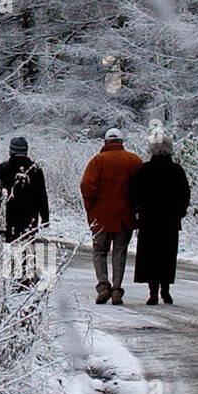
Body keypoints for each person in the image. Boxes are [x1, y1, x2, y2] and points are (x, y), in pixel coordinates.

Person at [80, 128, 142, 305]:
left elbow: (86, 185)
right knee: (119, 253)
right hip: (125, 217)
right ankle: (116, 289)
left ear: (105, 142)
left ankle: (102, 285)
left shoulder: (97, 161)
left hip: (100, 217)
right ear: (121, 142)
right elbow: (141, 188)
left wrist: (91, 209)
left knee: (99, 252)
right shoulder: (134, 160)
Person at [130, 132, 190, 305]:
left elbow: (135, 193)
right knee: (167, 255)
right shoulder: (177, 170)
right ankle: (166, 290)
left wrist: (137, 210)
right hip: (170, 221)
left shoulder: (144, 169)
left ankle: (153, 292)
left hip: (149, 220)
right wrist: (180, 212)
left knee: (150, 255)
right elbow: (185, 194)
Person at [0, 136, 50, 284]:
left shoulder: (3, 168)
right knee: (29, 245)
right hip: (31, 215)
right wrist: (45, 217)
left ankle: (12, 277)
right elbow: (42, 195)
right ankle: (27, 278)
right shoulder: (35, 168)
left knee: (11, 244)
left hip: (10, 215)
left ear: (11, 151)